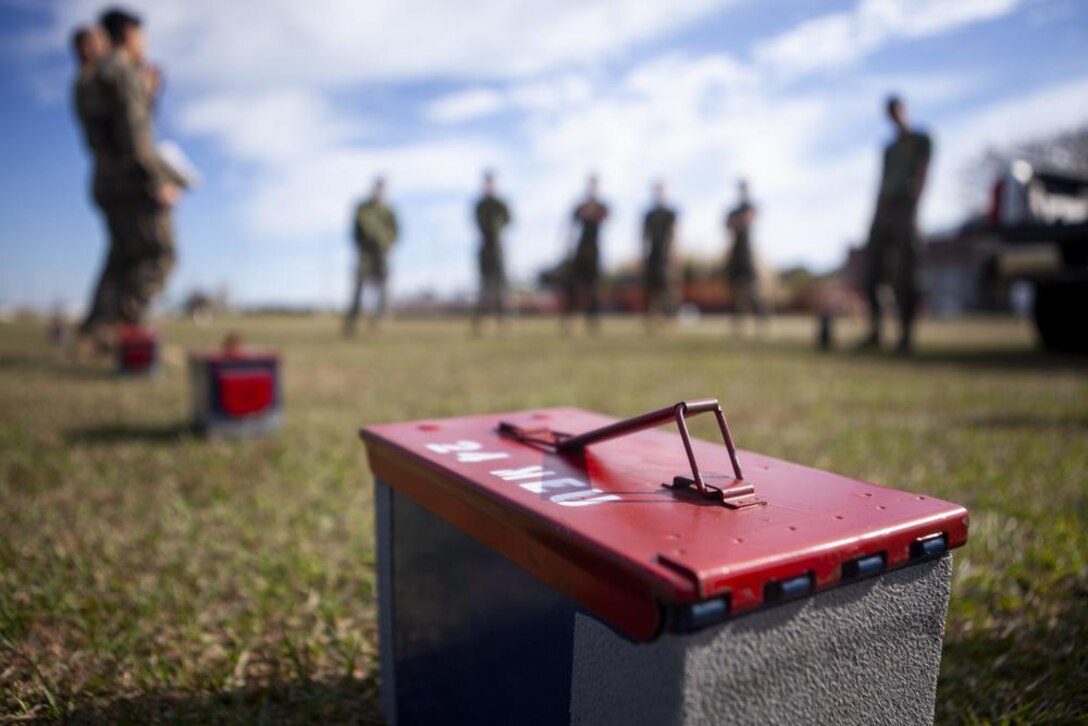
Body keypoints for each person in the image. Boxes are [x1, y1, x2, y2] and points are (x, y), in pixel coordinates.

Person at [88, 8, 184, 334]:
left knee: (121, 259)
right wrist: (157, 181)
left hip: (106, 179)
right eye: (141, 36)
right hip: (132, 181)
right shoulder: (124, 70)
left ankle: (98, 330)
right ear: (129, 34)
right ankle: (125, 325)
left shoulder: (96, 73)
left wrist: (147, 96)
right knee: (163, 254)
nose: (144, 44)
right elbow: (134, 133)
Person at [859, 95, 932, 354]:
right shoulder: (888, 149)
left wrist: (912, 207)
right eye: (889, 113)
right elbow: (881, 182)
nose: (894, 116)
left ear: (904, 110)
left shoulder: (921, 140)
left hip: (906, 209)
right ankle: (876, 331)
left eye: (896, 111)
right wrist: (878, 214)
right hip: (884, 210)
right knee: (872, 273)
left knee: (905, 274)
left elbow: (923, 173)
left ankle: (905, 337)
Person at [70, 25, 114, 350]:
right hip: (114, 174)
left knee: (122, 255)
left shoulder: (95, 81)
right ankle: (106, 328)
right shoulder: (89, 83)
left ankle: (100, 327)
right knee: (134, 253)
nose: (102, 48)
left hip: (110, 173)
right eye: (94, 43)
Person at [345, 177, 398, 335]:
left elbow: (394, 231)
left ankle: (375, 322)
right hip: (366, 252)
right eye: (376, 188)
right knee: (359, 286)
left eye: (381, 188)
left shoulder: (387, 210)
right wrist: (365, 244)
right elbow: (357, 229)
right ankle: (351, 322)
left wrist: (387, 245)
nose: (378, 191)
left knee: (381, 289)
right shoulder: (363, 208)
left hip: (382, 253)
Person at [563, 175, 609, 334]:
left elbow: (605, 220)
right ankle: (571, 319)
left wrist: (592, 213)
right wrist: (568, 246)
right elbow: (571, 227)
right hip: (580, 250)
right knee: (575, 285)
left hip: (594, 250)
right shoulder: (580, 206)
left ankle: (593, 321)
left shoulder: (601, 207)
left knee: (594, 287)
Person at [472, 170, 512, 335]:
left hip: (497, 245)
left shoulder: (500, 204)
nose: (489, 185)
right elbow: (478, 222)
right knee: (484, 285)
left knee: (501, 284)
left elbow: (508, 219)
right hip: (485, 245)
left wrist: (497, 228)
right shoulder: (480, 204)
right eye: (487, 182)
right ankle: (483, 320)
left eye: (491, 182)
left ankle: (504, 319)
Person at [724, 179, 765, 331]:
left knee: (751, 290)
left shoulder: (750, 207)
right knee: (735, 291)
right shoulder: (734, 210)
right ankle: (737, 325)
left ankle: (760, 322)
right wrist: (737, 221)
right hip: (735, 252)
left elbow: (746, 221)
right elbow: (728, 225)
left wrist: (738, 222)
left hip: (747, 253)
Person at [641, 180, 677, 331]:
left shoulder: (670, 213)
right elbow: (644, 235)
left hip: (665, 253)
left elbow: (674, 233)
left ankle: (667, 316)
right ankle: (651, 317)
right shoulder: (649, 214)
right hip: (653, 253)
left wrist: (673, 253)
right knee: (651, 287)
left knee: (666, 287)